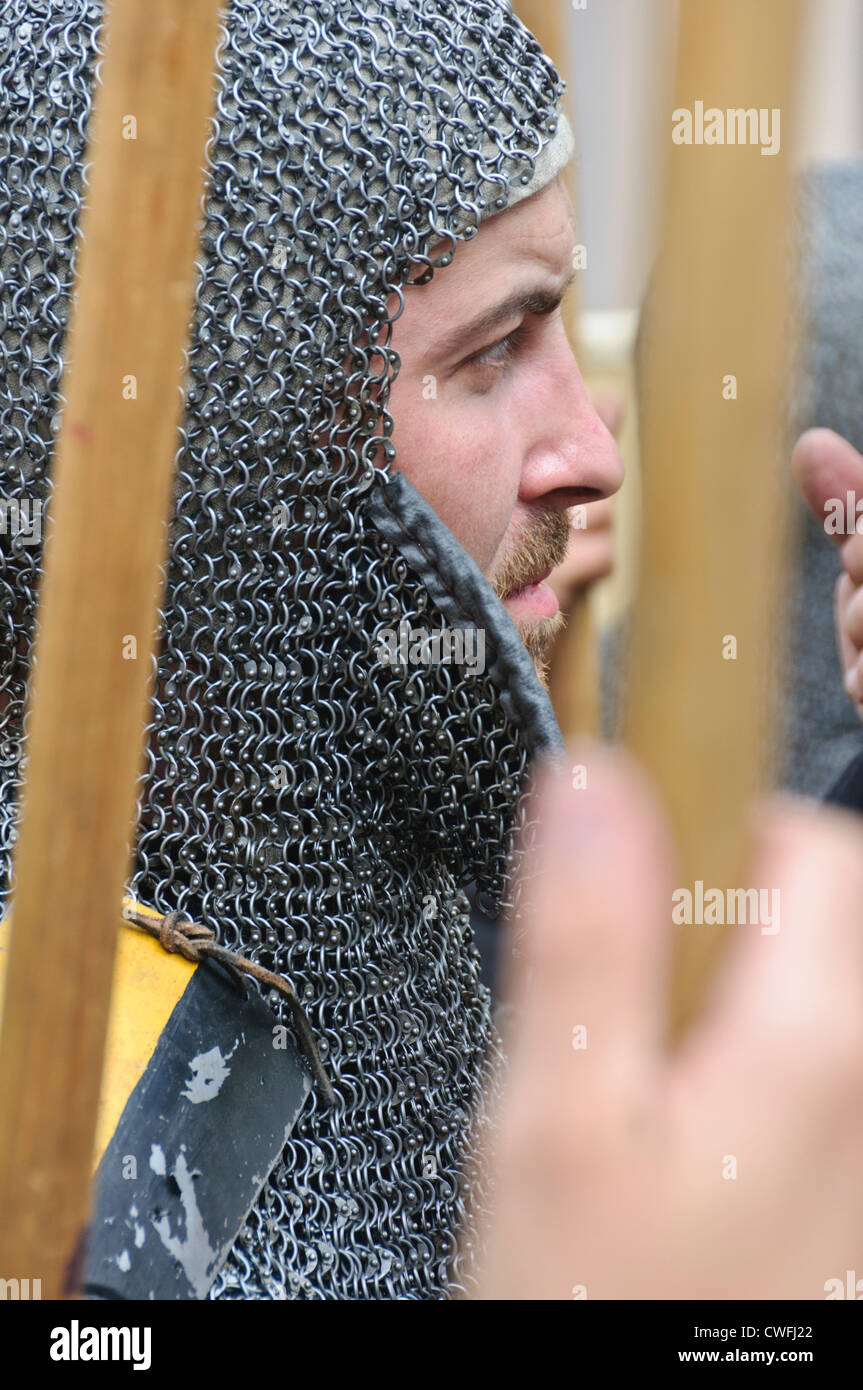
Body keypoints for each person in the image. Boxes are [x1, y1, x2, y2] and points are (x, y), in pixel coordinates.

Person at [2, 0, 863, 1302]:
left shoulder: (388, 870)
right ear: (230, 443)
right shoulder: (77, 1134)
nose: (594, 452)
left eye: (561, 324)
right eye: (496, 349)